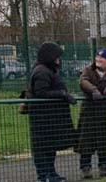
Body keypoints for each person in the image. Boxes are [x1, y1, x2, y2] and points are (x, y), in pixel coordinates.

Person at [28, 42, 77, 182]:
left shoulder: (47, 70)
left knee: (50, 147)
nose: (59, 60)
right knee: (43, 148)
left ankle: (51, 173)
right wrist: (62, 94)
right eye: (57, 57)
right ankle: (44, 175)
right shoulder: (42, 71)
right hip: (43, 117)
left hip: (50, 117)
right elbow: (41, 92)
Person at [76, 48, 106, 179]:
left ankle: (104, 166)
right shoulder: (88, 70)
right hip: (89, 111)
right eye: (97, 57)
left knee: (105, 139)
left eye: (101, 58)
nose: (98, 60)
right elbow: (83, 81)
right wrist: (93, 90)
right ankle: (85, 167)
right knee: (86, 139)